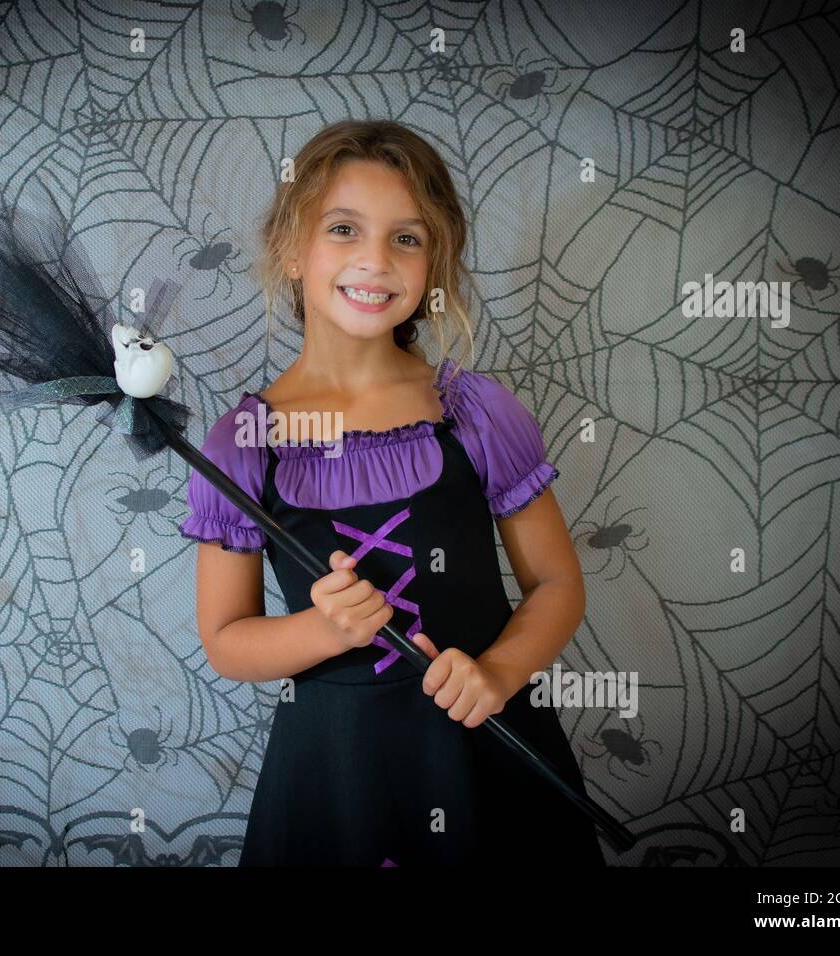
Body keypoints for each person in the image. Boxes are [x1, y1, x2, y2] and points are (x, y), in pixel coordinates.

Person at [179, 119, 605, 867]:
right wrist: (325, 631)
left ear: (434, 261)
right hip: (336, 781)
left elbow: (557, 583)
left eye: (406, 238)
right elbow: (226, 639)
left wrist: (499, 674)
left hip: (491, 756)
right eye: (344, 228)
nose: (375, 261)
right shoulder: (241, 447)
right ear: (290, 248)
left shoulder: (474, 412)